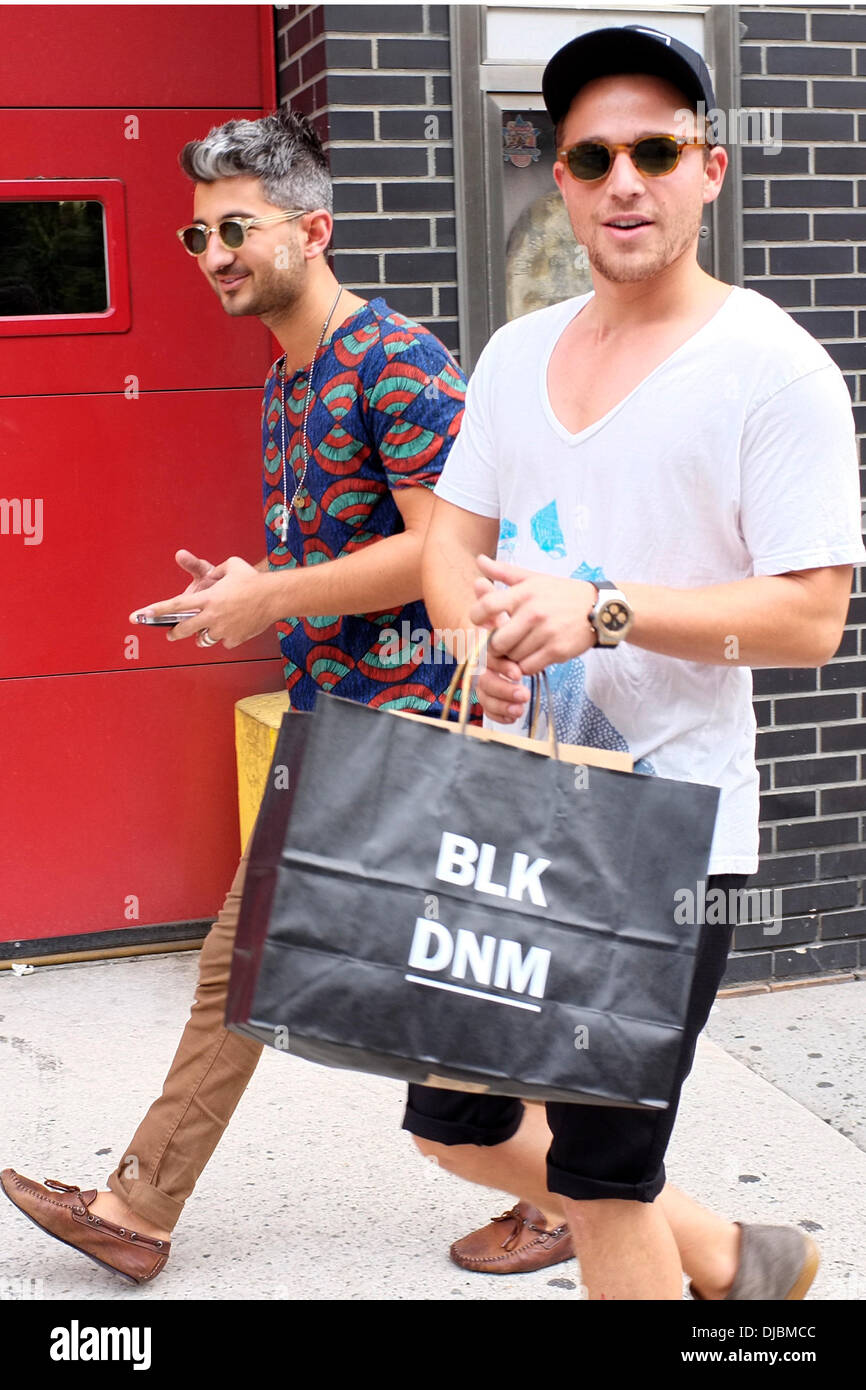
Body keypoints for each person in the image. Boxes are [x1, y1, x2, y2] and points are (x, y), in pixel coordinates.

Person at [405, 25, 865, 1300]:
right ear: (557, 176)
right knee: (460, 1125)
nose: (623, 179)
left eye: (654, 150)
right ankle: (738, 1260)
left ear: (708, 168)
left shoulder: (771, 372)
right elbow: (452, 542)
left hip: (666, 835)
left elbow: (808, 619)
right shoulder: (513, 354)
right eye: (592, 154)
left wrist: (599, 613)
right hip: (511, 809)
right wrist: (478, 640)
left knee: (605, 1177)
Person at [0, 109, 472, 1283]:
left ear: (312, 230)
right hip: (338, 717)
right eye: (193, 232)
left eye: (232, 228)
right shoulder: (284, 382)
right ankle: (141, 1206)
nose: (210, 252)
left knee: (256, 962)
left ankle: (138, 1209)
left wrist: (277, 598)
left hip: (409, 726)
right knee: (391, 970)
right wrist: (245, 590)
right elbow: (322, 570)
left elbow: (447, 554)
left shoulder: (397, 363)